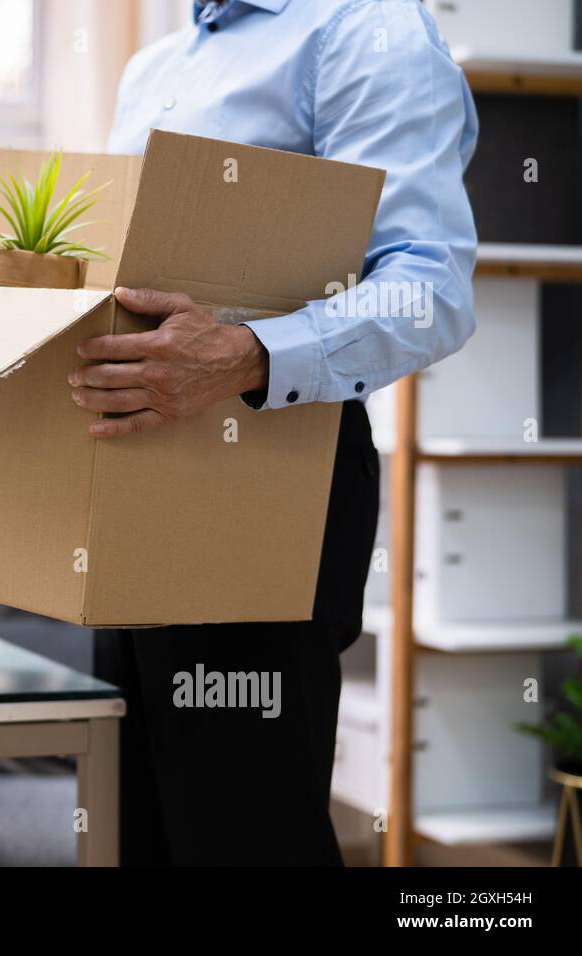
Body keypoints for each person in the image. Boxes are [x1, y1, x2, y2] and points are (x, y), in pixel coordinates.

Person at [76, 0, 478, 864]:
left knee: (244, 830)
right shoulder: (155, 65)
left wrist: (243, 352)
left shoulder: (367, 31)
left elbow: (430, 288)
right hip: (132, 480)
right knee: (134, 829)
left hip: (270, 479)